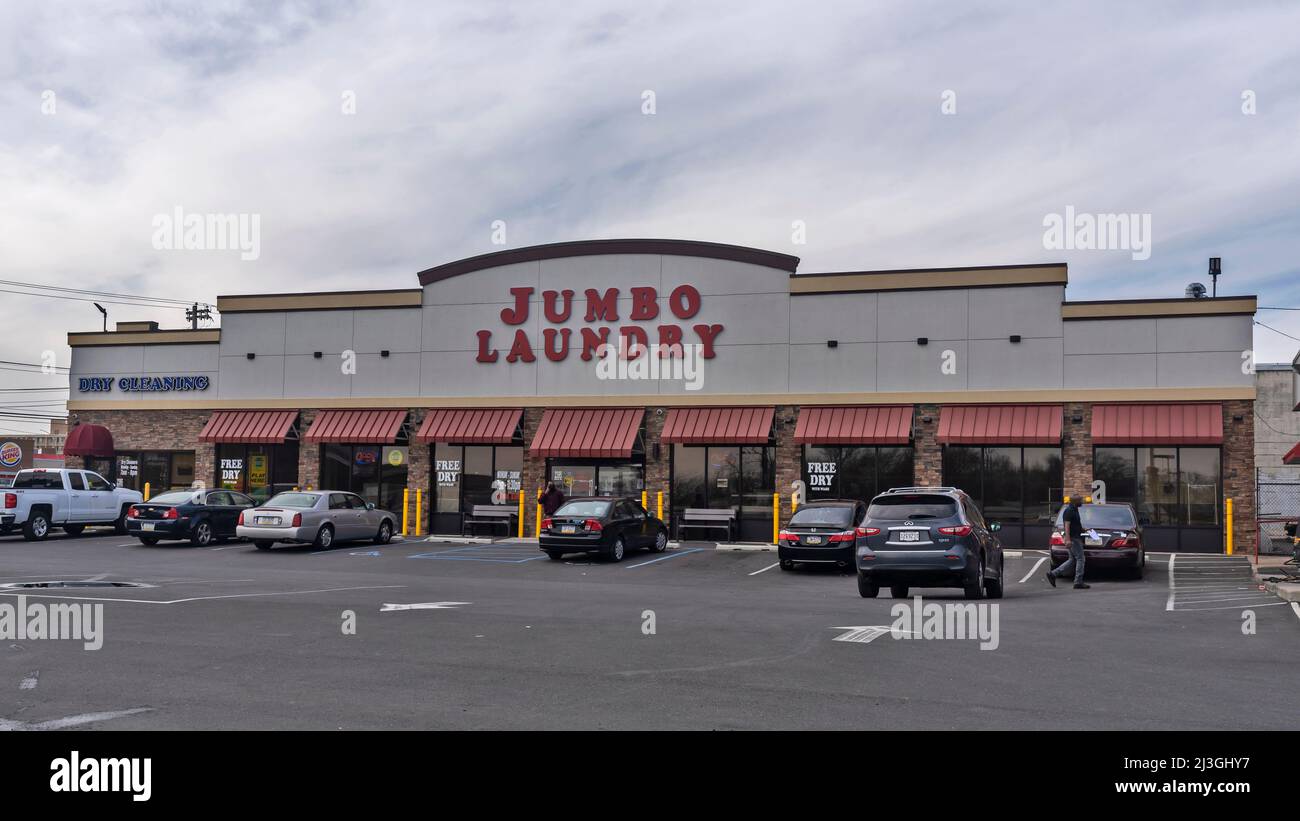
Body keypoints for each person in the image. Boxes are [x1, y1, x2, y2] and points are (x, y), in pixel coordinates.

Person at [1046, 495, 1090, 589]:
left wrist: (1082, 529)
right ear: (1075, 502)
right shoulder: (1069, 511)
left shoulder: (1075, 509)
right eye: (1080, 500)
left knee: (1072, 559)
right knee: (1081, 559)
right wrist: (1068, 539)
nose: (1082, 502)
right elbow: (1067, 526)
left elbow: (1075, 524)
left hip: (1075, 537)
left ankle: (1053, 574)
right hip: (1073, 539)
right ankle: (1078, 582)